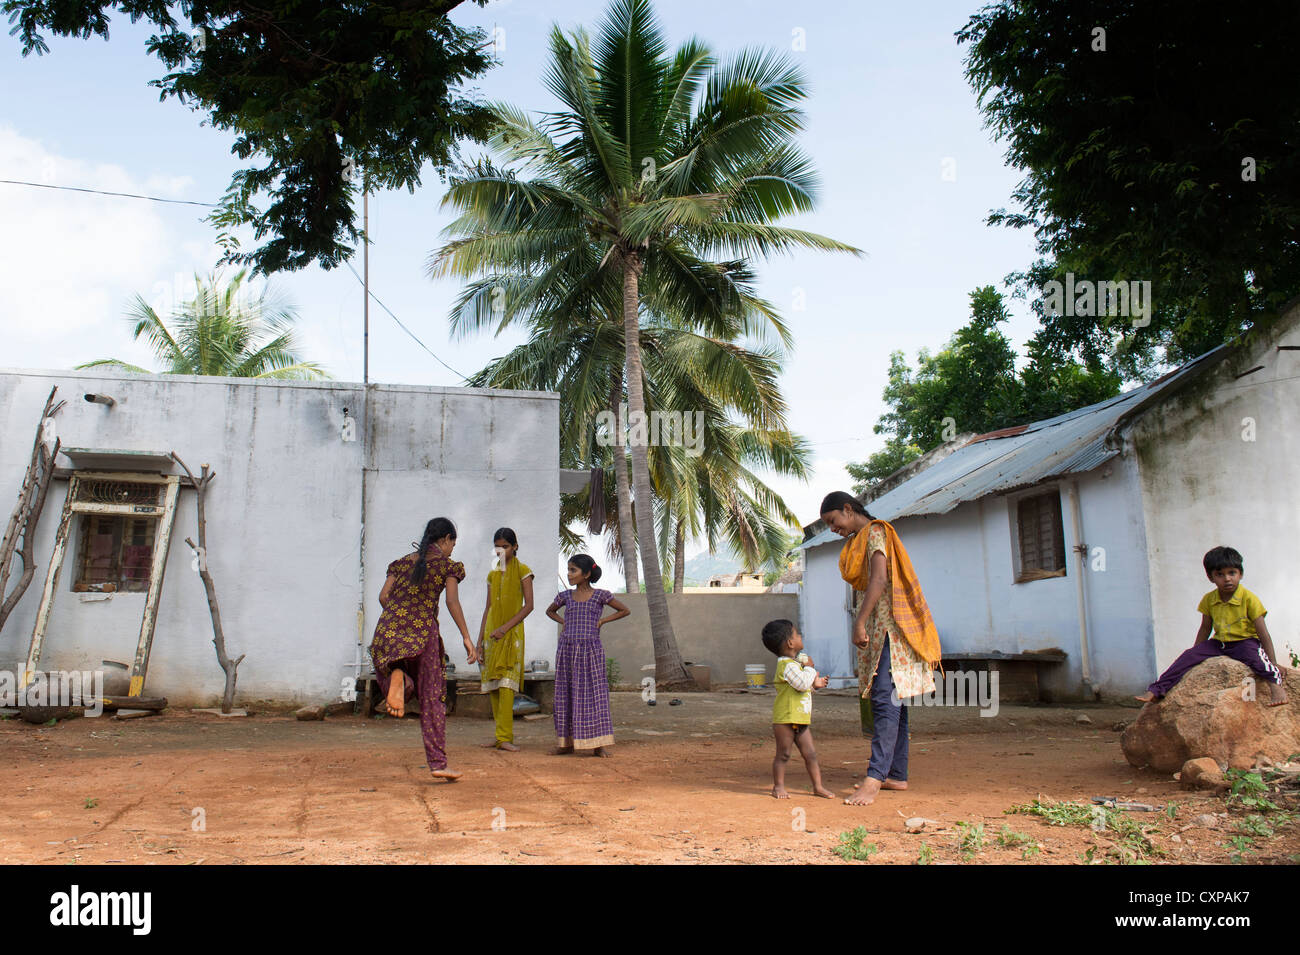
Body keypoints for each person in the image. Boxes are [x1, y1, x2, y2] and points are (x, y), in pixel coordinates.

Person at [820, 490, 942, 807]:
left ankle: (874, 779)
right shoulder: (857, 541)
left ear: (848, 509)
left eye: (834, 521)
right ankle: (896, 774)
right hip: (879, 631)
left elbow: (878, 579)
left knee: (885, 702)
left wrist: (858, 622)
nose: (833, 529)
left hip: (890, 628)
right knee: (893, 702)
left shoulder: (876, 532)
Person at [369, 517, 478, 781]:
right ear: (445, 540)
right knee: (431, 698)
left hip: (389, 630)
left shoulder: (401, 563)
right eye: (453, 542)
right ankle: (438, 763)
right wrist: (466, 637)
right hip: (422, 635)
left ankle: (399, 675)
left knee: (391, 664)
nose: (453, 548)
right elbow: (452, 602)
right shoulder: (447, 567)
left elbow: (383, 597)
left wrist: (399, 616)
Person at [1137, 546, 1288, 705]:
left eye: (1232, 573)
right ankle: (1156, 690)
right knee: (1186, 657)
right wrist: (1196, 651)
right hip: (1219, 644)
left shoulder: (1249, 599)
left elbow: (1263, 634)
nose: (1227, 578)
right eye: (1220, 574)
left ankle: (1276, 687)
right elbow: (1205, 627)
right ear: (1211, 577)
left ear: (1240, 574)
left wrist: (1273, 662)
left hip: (1245, 642)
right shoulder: (1209, 599)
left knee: (1257, 661)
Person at [545, 554, 629, 757]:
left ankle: (599, 744)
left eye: (573, 570)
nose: (569, 574)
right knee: (566, 695)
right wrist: (564, 622)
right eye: (568, 569)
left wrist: (602, 621)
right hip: (567, 651)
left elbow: (624, 610)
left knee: (594, 695)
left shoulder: (601, 595)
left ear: (587, 573)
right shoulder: (565, 596)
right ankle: (565, 743)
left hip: (590, 652)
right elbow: (550, 611)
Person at [476, 527, 535, 750]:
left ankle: (506, 737)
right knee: (493, 685)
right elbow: (487, 608)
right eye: (497, 547)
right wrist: (480, 639)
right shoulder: (492, 574)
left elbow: (529, 606)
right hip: (492, 634)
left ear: (515, 547)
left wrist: (505, 628)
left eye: (505, 546)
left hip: (511, 634)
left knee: (507, 685)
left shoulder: (524, 571)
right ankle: (500, 736)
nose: (501, 551)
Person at [761, 619, 832, 799]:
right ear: (791, 643)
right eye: (797, 634)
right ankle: (778, 786)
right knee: (783, 754)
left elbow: (802, 688)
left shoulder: (793, 665)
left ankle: (818, 786)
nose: (801, 636)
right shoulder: (786, 666)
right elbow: (801, 684)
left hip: (800, 718)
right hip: (785, 719)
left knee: (811, 754)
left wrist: (815, 685)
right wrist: (809, 669)